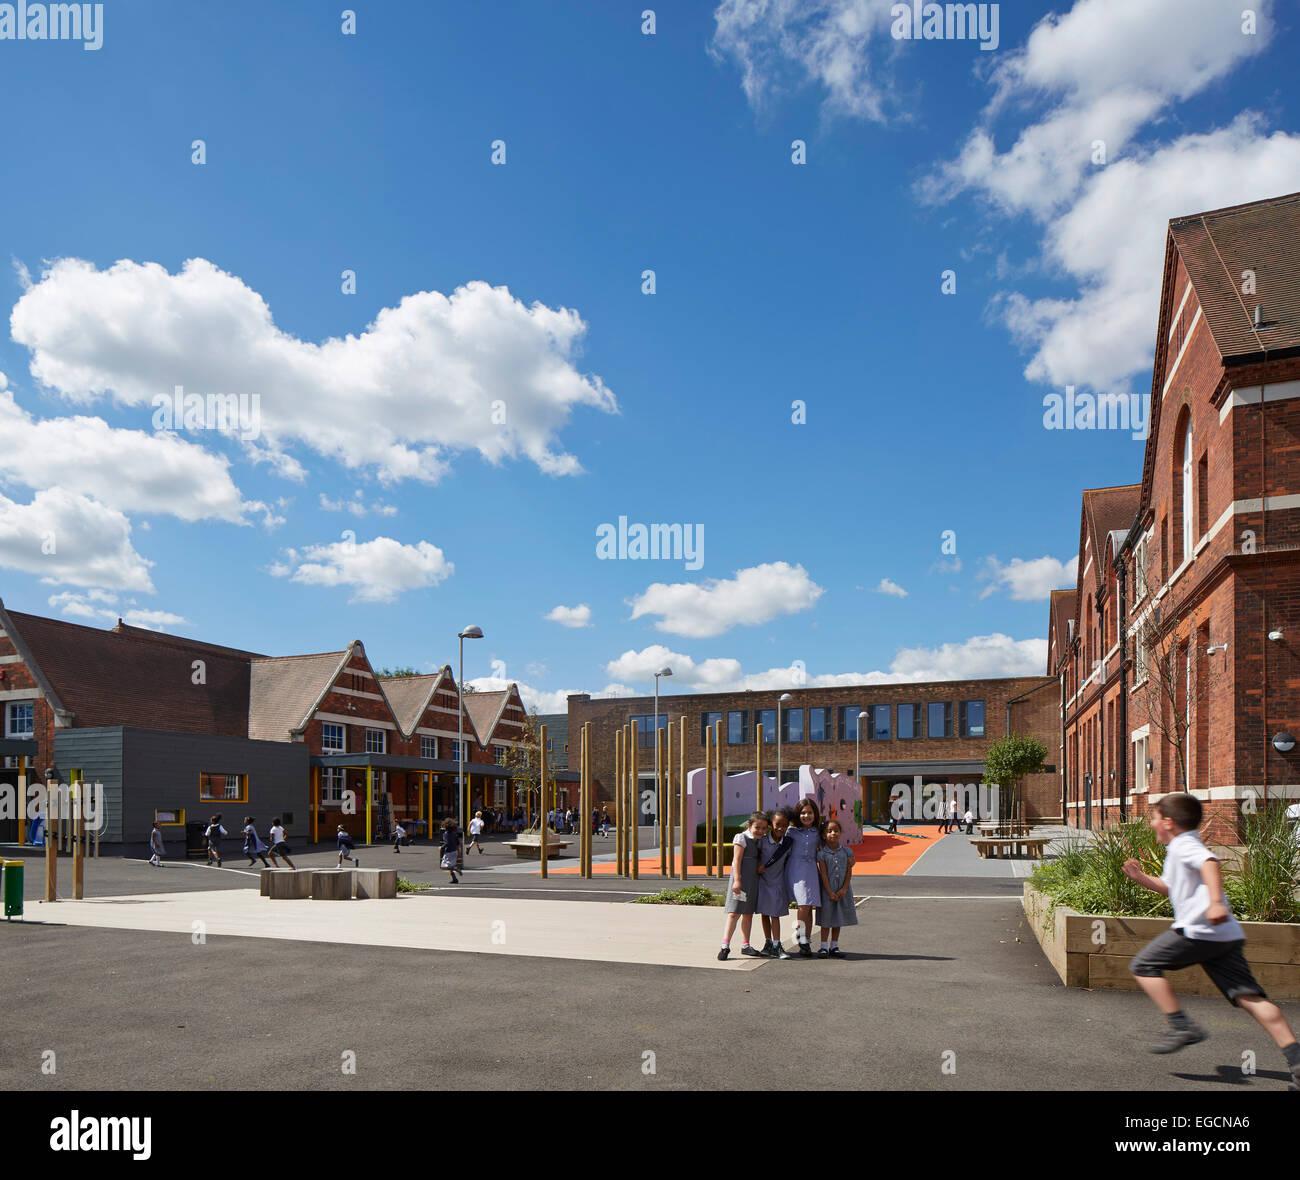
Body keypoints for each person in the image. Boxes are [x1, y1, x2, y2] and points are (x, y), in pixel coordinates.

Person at [1123, 793, 1300, 1087]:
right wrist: (1139, 877)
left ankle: (1181, 1026)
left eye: (1154, 818)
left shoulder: (1185, 845)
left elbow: (1209, 862)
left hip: (1199, 930)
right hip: (1224, 936)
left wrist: (1216, 902)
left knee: (1143, 965)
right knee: (1249, 997)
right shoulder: (1180, 847)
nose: (1151, 824)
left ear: (1168, 822)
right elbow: (1171, 888)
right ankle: (1296, 1060)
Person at [718, 812, 768, 960]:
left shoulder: (760, 840)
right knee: (734, 913)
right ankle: (725, 946)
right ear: (749, 826)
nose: (760, 831)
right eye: (757, 827)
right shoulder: (741, 837)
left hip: (753, 879)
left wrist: (759, 865)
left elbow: (758, 857)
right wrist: (737, 880)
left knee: (748, 913)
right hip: (741, 879)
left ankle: (745, 945)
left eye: (764, 828)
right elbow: (737, 861)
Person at [815, 819, 857, 957]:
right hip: (828, 890)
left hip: (841, 889)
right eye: (829, 831)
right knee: (826, 918)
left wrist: (844, 889)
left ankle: (834, 946)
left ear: (840, 833)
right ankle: (823, 947)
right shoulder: (822, 854)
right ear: (823, 835)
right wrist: (829, 892)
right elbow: (824, 874)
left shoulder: (847, 852)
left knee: (838, 918)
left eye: (836, 830)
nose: (833, 833)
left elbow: (849, 871)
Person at [787, 797, 824, 957]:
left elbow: (829, 846)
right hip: (796, 870)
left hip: (811, 870)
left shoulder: (818, 832)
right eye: (803, 813)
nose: (806, 816)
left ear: (815, 814)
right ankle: (800, 935)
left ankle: (806, 941)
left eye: (809, 812)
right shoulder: (792, 831)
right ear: (798, 815)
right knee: (803, 904)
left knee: (809, 907)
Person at [757, 806, 794, 959]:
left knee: (775, 915)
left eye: (784, 825)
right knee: (765, 913)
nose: (780, 828)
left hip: (778, 882)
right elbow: (754, 854)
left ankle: (777, 945)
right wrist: (758, 864)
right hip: (763, 881)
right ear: (771, 823)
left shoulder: (788, 843)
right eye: (777, 824)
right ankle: (768, 943)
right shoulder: (763, 841)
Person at [440, 818, 464, 884]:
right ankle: (454, 879)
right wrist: (459, 851)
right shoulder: (454, 834)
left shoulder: (445, 834)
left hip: (448, 851)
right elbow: (458, 844)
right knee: (450, 866)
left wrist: (441, 847)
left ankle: (456, 869)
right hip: (454, 851)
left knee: (443, 866)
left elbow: (446, 843)